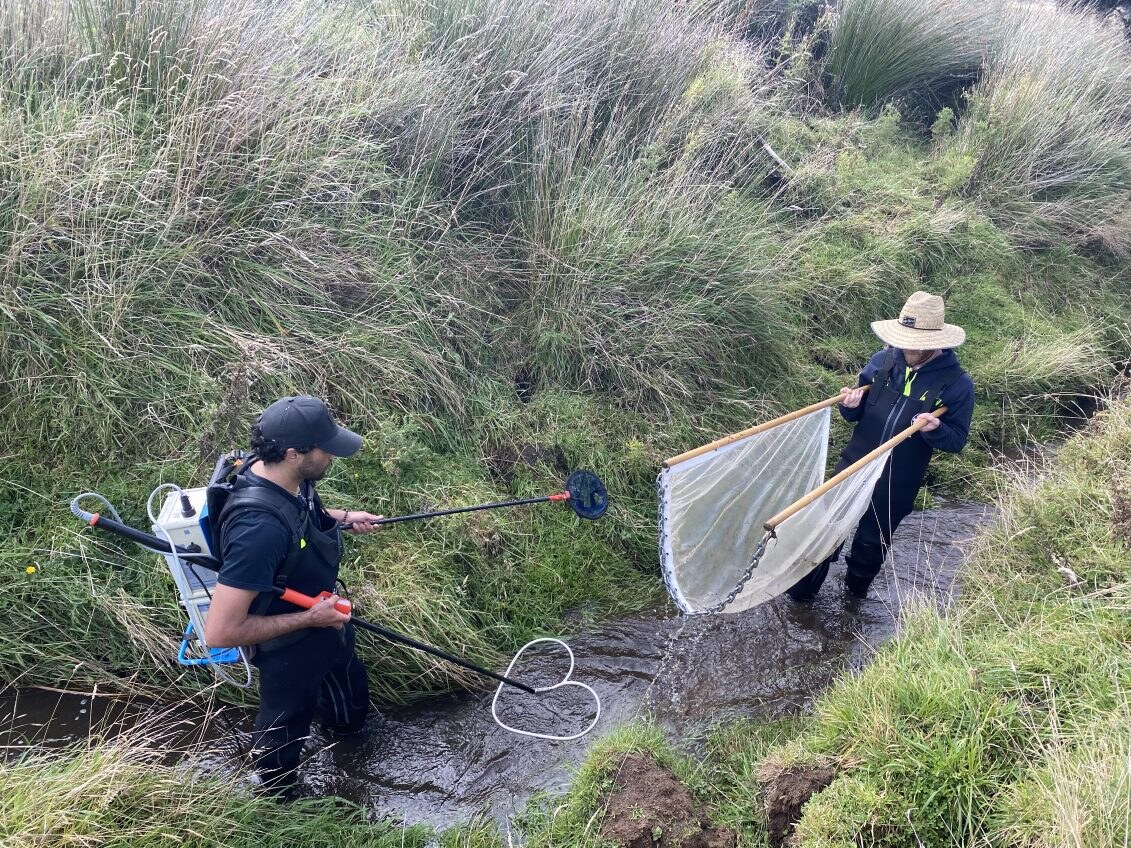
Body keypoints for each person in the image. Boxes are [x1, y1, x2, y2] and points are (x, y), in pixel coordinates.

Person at [204, 395, 382, 792]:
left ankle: (349, 744)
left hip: (325, 618)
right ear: (292, 453)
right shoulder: (257, 531)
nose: (333, 455)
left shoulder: (289, 477)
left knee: (349, 695)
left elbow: (302, 512)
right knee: (283, 729)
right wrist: (310, 618)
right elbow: (220, 632)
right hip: (286, 642)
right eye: (326, 448)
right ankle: (277, 797)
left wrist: (345, 519)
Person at [787, 291, 974, 602]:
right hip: (852, 466)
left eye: (915, 343)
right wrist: (850, 405)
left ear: (935, 341)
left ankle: (852, 603)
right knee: (823, 536)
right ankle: (800, 604)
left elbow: (956, 440)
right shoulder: (882, 362)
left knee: (871, 547)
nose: (906, 348)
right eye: (903, 339)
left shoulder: (957, 384)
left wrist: (936, 428)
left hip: (897, 482)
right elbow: (854, 415)